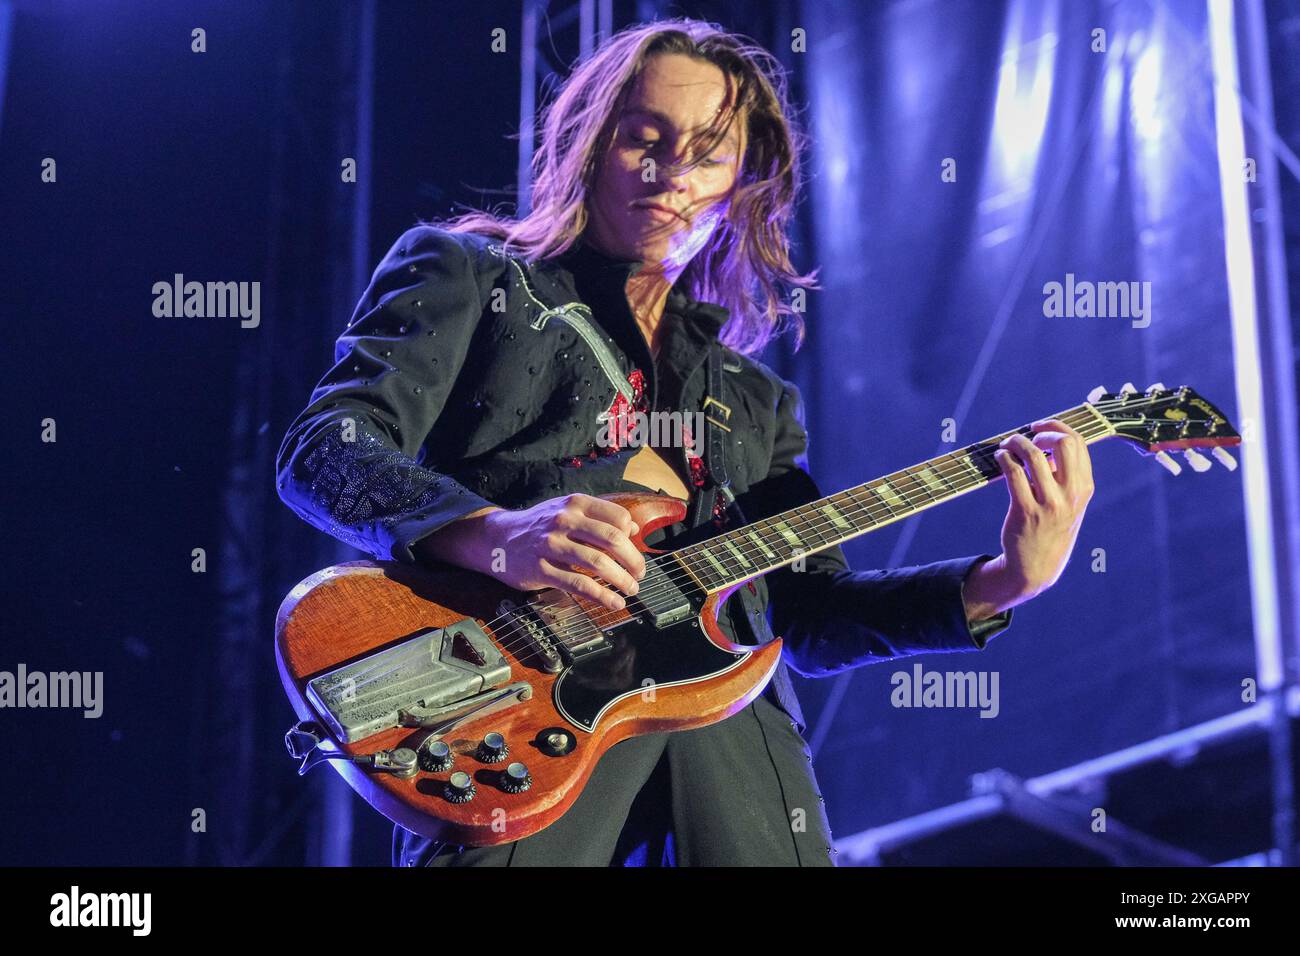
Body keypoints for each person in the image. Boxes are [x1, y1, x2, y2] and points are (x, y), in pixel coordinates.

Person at [275, 19, 1094, 866]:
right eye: (644, 138)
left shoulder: (753, 399)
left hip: (730, 730)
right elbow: (324, 449)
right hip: (514, 703)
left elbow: (808, 613)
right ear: (591, 140)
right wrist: (495, 534)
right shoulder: (474, 276)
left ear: (743, 180)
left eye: (707, 153)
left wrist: (1003, 582)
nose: (671, 175)